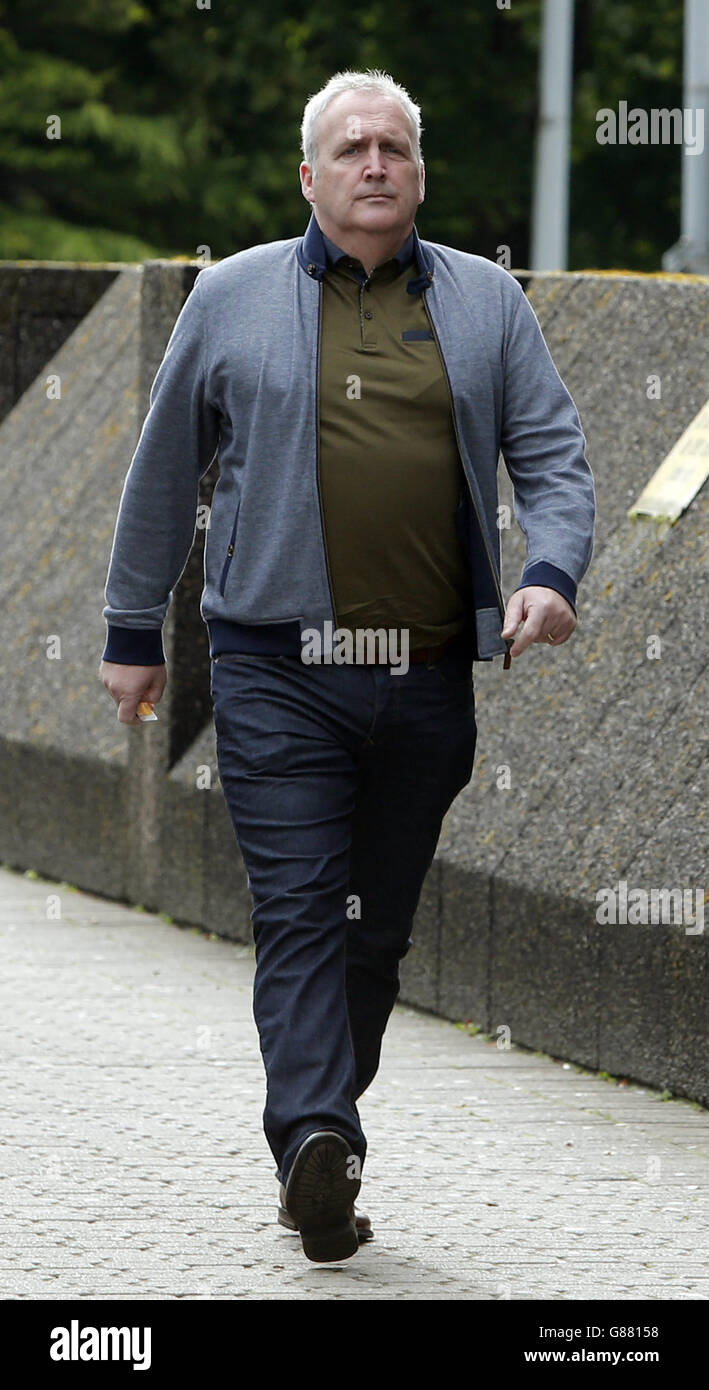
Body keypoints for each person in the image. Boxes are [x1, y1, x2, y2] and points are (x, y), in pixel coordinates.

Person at [99, 68, 595, 1264]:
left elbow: (554, 455)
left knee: (371, 933)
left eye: (395, 149)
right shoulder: (229, 298)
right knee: (304, 914)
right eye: (352, 148)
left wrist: (553, 573)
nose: (376, 165)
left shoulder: (485, 303)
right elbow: (163, 474)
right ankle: (316, 1138)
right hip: (277, 667)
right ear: (309, 176)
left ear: (418, 175)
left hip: (427, 675)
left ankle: (321, 1132)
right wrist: (130, 633)